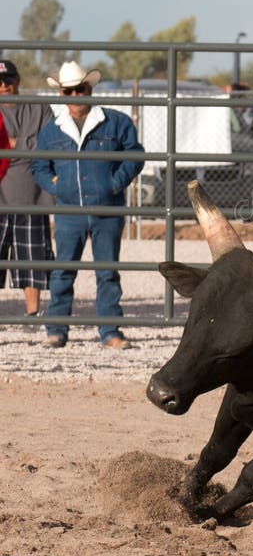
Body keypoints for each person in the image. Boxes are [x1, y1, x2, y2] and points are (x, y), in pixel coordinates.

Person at [31, 60, 144, 350]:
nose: (75, 96)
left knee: (107, 271)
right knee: (63, 271)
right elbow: (39, 165)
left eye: (79, 89)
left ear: (89, 88)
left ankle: (110, 332)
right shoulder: (51, 130)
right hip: (70, 210)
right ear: (62, 95)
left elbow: (135, 155)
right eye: (68, 92)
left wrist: (114, 183)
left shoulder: (116, 122)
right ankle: (56, 330)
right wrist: (56, 186)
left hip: (107, 209)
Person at [0, 59, 54, 320]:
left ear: (17, 80)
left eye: (8, 80)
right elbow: (36, 147)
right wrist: (27, 147)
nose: (3, 85)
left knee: (32, 257)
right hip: (2, 193)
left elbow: (50, 143)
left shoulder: (39, 107)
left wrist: (13, 145)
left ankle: (33, 314)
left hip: (33, 197)